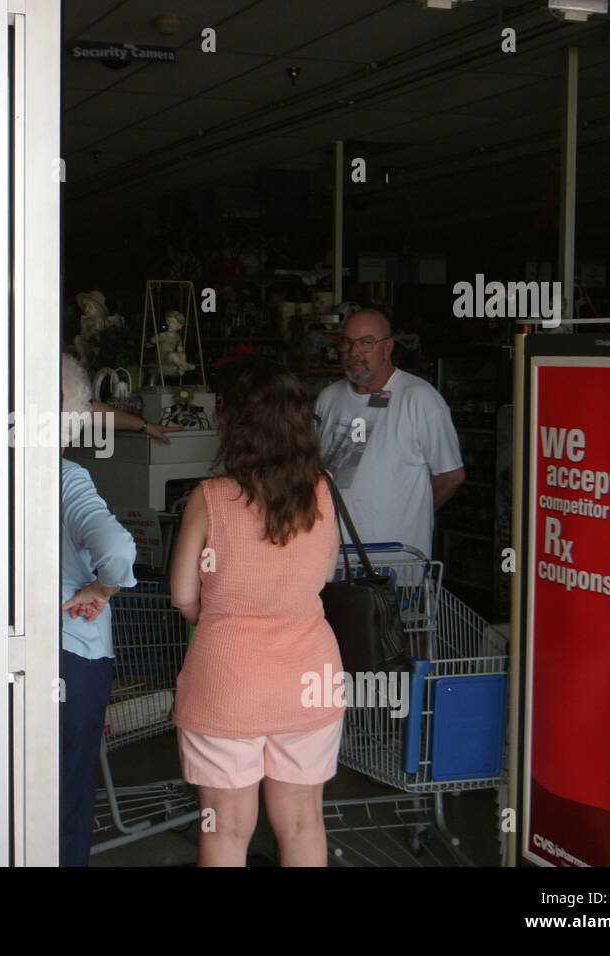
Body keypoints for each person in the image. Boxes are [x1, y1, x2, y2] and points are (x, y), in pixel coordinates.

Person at [170, 358, 343, 867]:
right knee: (302, 821)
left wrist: (222, 618)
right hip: (310, 677)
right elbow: (325, 577)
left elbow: (182, 595)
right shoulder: (324, 490)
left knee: (224, 832)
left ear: (231, 424)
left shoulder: (210, 498)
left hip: (226, 681)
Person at [58, 353, 137, 866]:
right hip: (71, 656)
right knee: (65, 797)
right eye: (84, 402)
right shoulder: (67, 479)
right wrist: (103, 591)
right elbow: (119, 550)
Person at [314, 309, 464, 559]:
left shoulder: (419, 398)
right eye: (347, 343)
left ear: (387, 348)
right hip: (335, 563)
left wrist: (415, 511)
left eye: (366, 343)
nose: (354, 353)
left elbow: (451, 476)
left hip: (395, 565)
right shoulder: (328, 399)